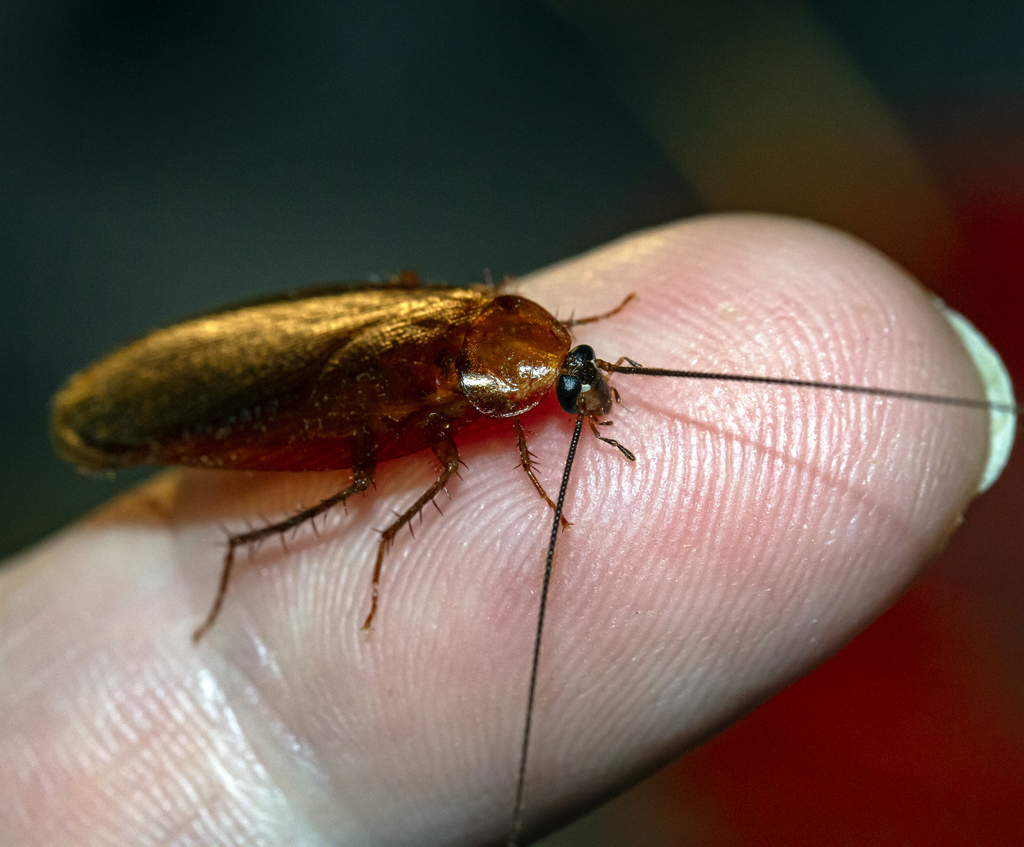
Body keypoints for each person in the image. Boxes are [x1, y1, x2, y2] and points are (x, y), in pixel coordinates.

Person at [0, 216, 1002, 845]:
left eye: (578, 376)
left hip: (365, 334)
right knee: (361, 490)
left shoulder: (506, 350)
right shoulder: (474, 407)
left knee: (372, 469)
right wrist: (437, 523)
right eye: (576, 384)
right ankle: (207, 509)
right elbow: (486, 446)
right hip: (309, 363)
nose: (585, 386)